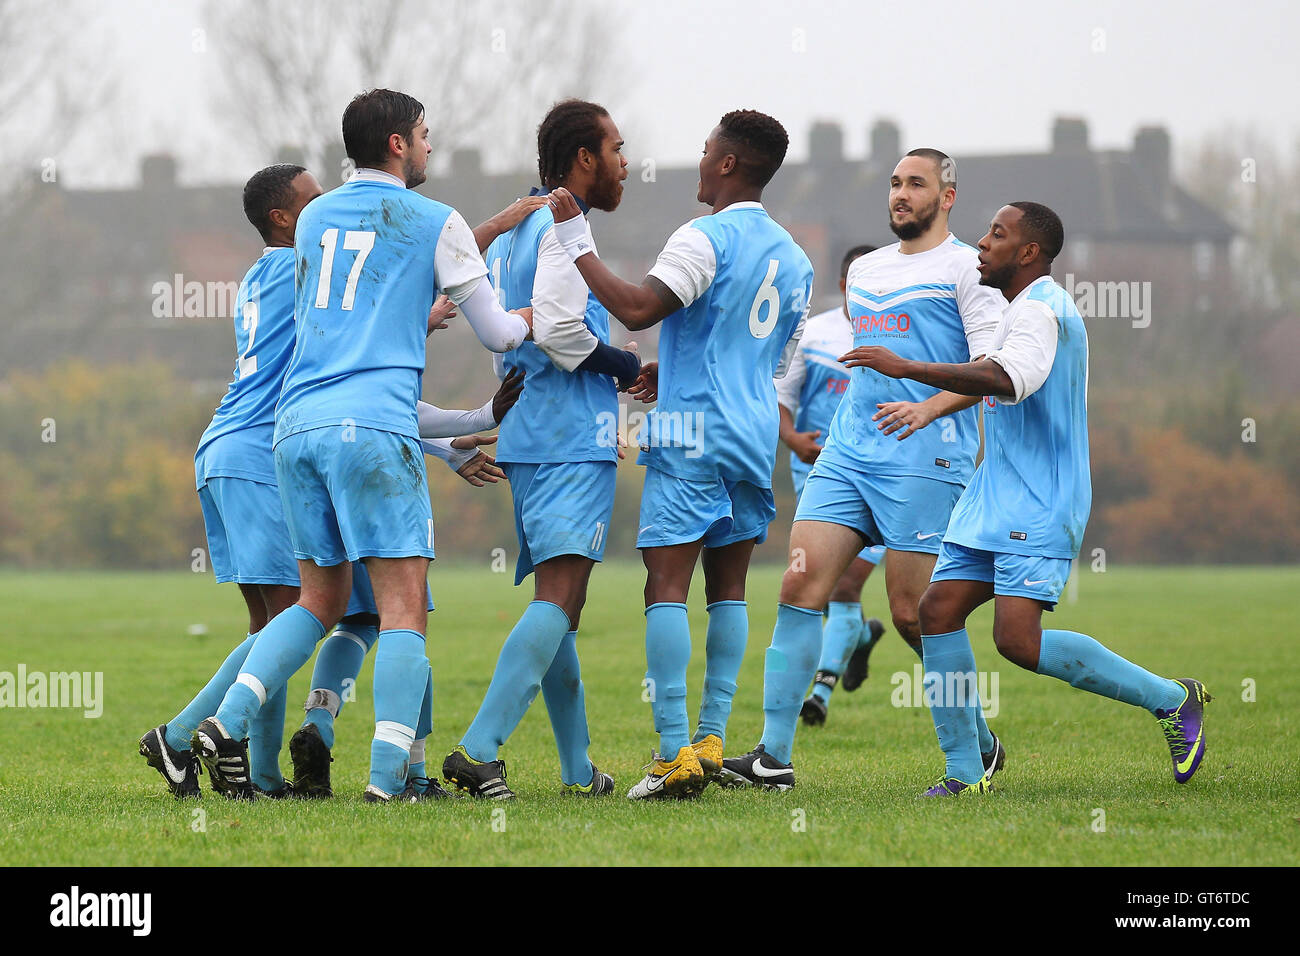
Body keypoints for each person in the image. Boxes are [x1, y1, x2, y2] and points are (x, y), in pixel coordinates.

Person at [191, 89, 533, 803]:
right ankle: (388, 782)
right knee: (404, 606)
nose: (432, 146)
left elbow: (357, 303)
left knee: (317, 602)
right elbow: (498, 333)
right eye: (426, 134)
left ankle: (225, 724)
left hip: (295, 429)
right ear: (400, 144)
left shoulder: (313, 216)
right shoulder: (436, 220)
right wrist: (538, 318)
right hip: (373, 430)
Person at [844, 201, 1209, 795]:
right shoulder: (1015, 311)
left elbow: (1006, 380)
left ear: (1029, 252)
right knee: (934, 613)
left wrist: (904, 364)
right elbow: (987, 372)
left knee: (1017, 641)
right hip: (991, 496)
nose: (982, 243)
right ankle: (965, 772)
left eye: (997, 234)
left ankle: (1174, 700)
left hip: (1040, 501)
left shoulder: (1042, 310)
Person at [719, 148, 1006, 791]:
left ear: (948, 196)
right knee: (798, 589)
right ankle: (772, 757)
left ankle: (974, 753)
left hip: (927, 458)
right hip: (848, 455)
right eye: (896, 183)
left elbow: (993, 368)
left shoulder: (968, 269)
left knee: (914, 613)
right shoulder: (869, 271)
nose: (901, 194)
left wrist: (928, 406)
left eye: (917, 184)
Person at [548, 109, 813, 799]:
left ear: (727, 164)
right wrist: (678, 365)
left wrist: (577, 240)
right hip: (754, 434)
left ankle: (672, 757)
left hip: (692, 430)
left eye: (704, 152)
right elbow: (768, 360)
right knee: (728, 588)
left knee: (665, 585)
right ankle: (711, 739)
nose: (698, 163)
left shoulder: (703, 236)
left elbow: (637, 310)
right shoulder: (798, 258)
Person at [440, 99, 641, 800]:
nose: (624, 162)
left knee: (565, 605)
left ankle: (579, 771)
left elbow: (503, 325)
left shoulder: (512, 230)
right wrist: (625, 367)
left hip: (528, 437)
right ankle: (479, 749)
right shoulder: (562, 227)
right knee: (560, 596)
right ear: (584, 159)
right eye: (616, 149)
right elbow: (559, 329)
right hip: (566, 440)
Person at [774, 243, 889, 727]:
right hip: (818, 476)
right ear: (844, 284)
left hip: (881, 480)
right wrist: (795, 440)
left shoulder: (898, 335)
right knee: (814, 588)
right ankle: (860, 637)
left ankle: (819, 691)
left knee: (843, 585)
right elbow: (781, 397)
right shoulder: (815, 333)